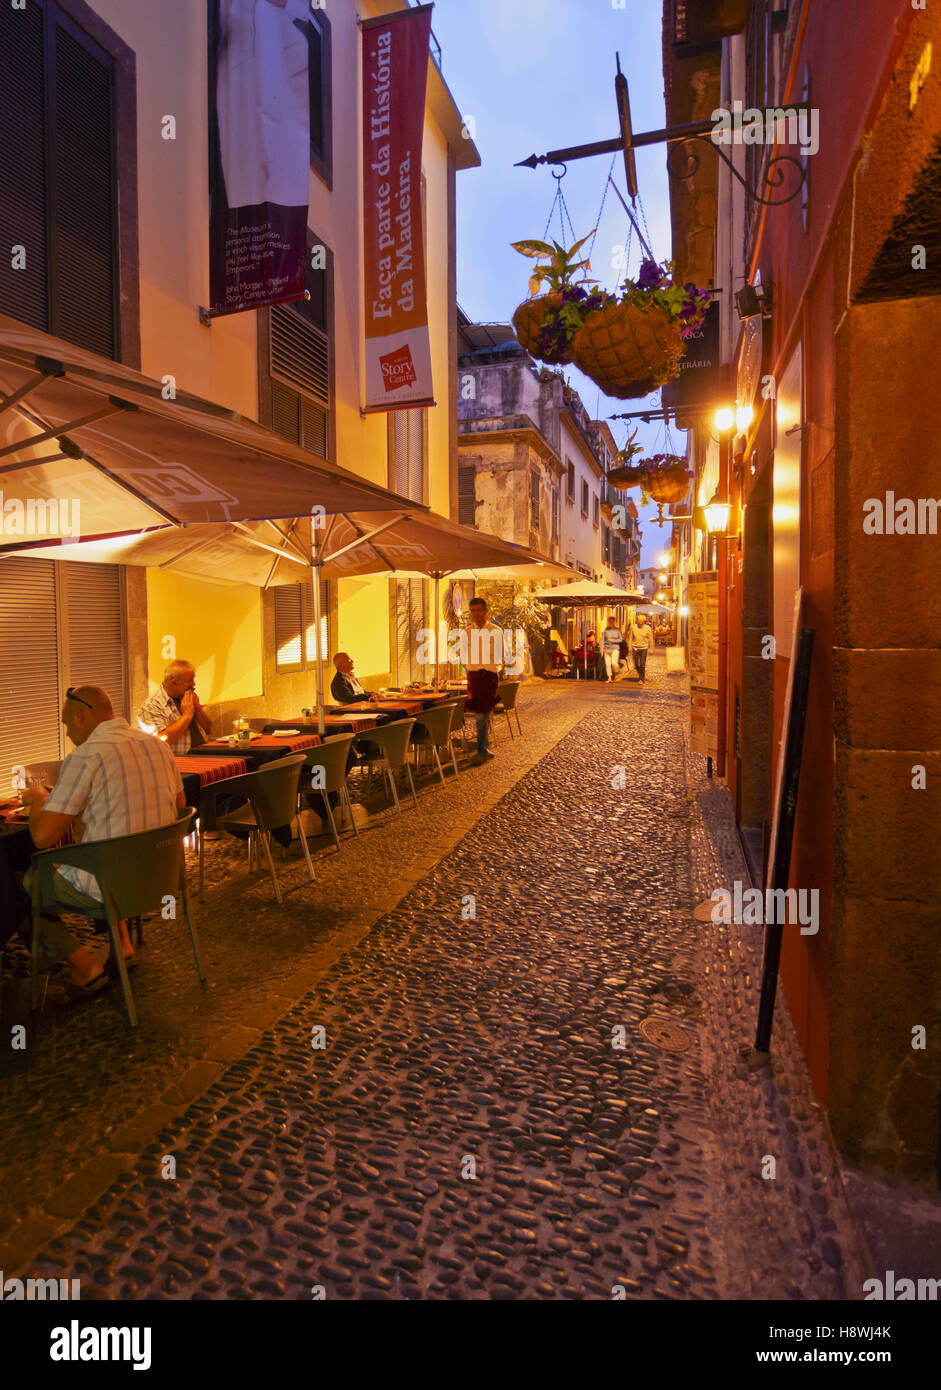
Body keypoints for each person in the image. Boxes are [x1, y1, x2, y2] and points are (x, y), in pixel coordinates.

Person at [19, 685, 186, 1005]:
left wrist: (40, 800)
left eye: (68, 724)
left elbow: (42, 838)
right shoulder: (158, 747)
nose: (67, 734)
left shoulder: (84, 757)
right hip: (160, 880)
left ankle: (85, 966)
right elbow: (180, 806)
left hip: (111, 885)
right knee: (106, 849)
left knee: (26, 882)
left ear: (81, 716)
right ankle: (122, 945)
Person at [138, 659, 212, 753]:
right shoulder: (152, 705)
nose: (194, 684)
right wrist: (187, 716)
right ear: (174, 682)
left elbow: (208, 729)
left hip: (205, 755)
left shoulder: (186, 696)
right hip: (178, 763)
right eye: (190, 681)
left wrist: (198, 709)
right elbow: (161, 741)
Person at [465, 596, 502, 765]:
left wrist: (494, 671)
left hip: (489, 676)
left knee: (485, 713)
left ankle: (483, 747)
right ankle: (482, 748)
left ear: (485, 611)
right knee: (480, 715)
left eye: (479, 610)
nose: (476, 614)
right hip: (474, 677)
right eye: (473, 611)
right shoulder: (466, 632)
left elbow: (500, 655)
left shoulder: (496, 631)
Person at [630, 612, 654, 683]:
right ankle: (640, 674)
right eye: (639, 621)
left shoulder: (648, 628)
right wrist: (629, 646)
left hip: (644, 648)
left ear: (644, 621)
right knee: (636, 664)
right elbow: (630, 637)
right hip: (635, 647)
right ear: (637, 620)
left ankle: (641, 678)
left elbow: (651, 639)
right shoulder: (633, 627)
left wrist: (651, 648)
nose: (640, 622)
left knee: (642, 664)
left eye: (642, 621)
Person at [601, 616, 623, 682]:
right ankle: (609, 677)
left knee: (614, 663)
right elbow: (602, 639)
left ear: (614, 622)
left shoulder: (617, 630)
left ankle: (617, 672)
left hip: (615, 648)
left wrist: (613, 640)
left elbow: (620, 639)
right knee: (607, 664)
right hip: (607, 648)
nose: (611, 623)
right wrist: (601, 646)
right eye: (609, 622)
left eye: (612, 622)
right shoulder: (606, 630)